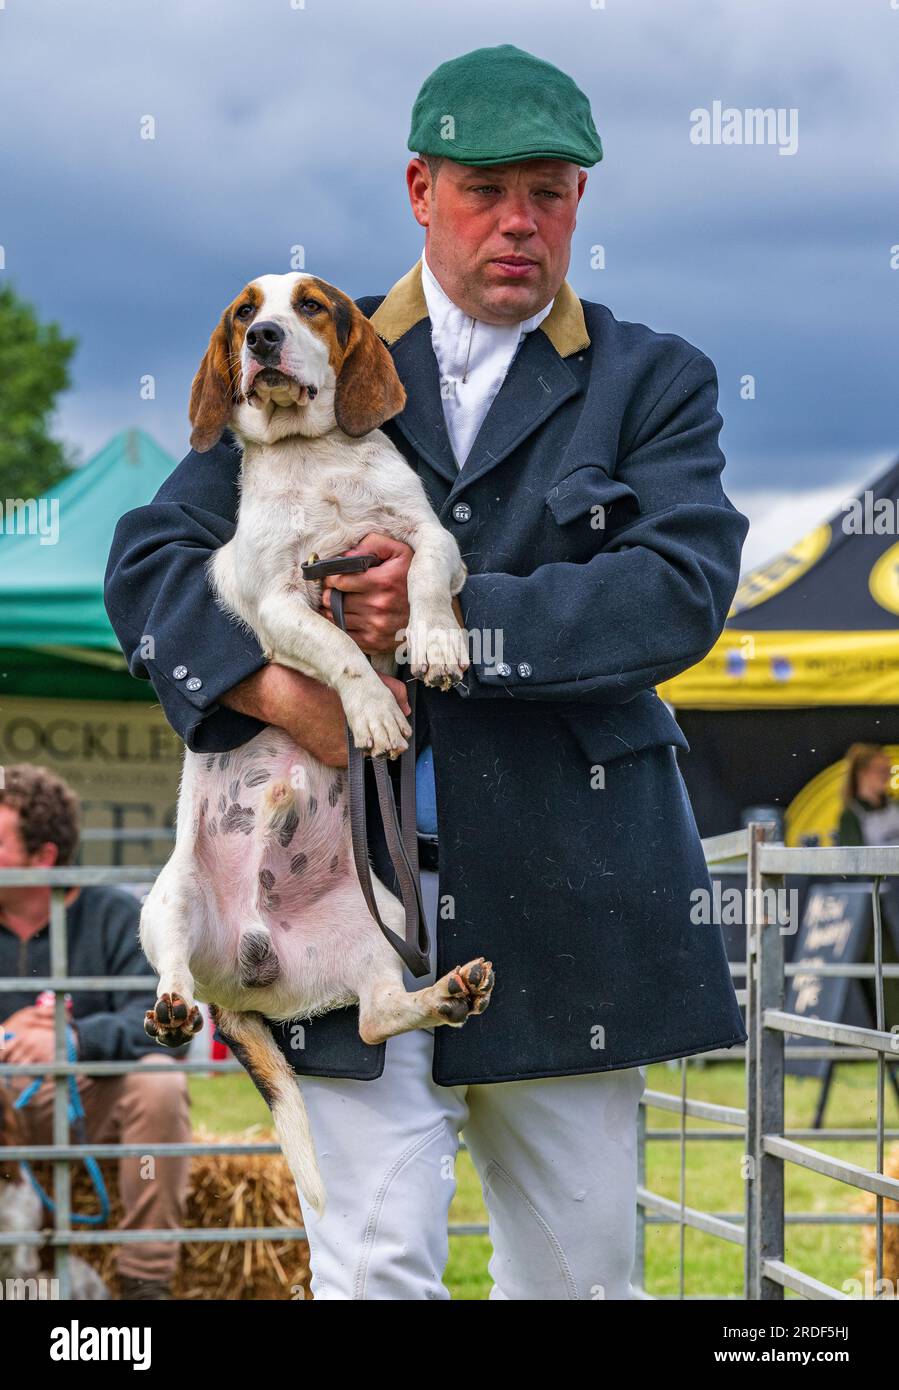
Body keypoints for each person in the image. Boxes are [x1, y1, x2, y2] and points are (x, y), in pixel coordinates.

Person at [104, 44, 749, 1300]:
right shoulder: (308, 350)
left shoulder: (650, 379)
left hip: (571, 910)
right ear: (418, 187)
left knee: (578, 1283)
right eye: (484, 188)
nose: (519, 220)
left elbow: (677, 592)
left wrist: (452, 624)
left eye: (549, 191)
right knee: (376, 1270)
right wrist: (283, 691)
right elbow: (153, 566)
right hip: (331, 919)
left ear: (578, 205)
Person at [0, 764, 191, 1300]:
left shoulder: (114, 914)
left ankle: (143, 1286)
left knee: (160, 1083)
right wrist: (8, 1038)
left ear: (44, 859)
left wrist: (74, 1040)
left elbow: (162, 1023)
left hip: (91, 1101)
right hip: (5, 1104)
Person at [837, 744, 899, 846]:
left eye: (888, 770)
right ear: (862, 773)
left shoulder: (896, 806)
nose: (887, 775)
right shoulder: (850, 817)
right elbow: (856, 859)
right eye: (880, 770)